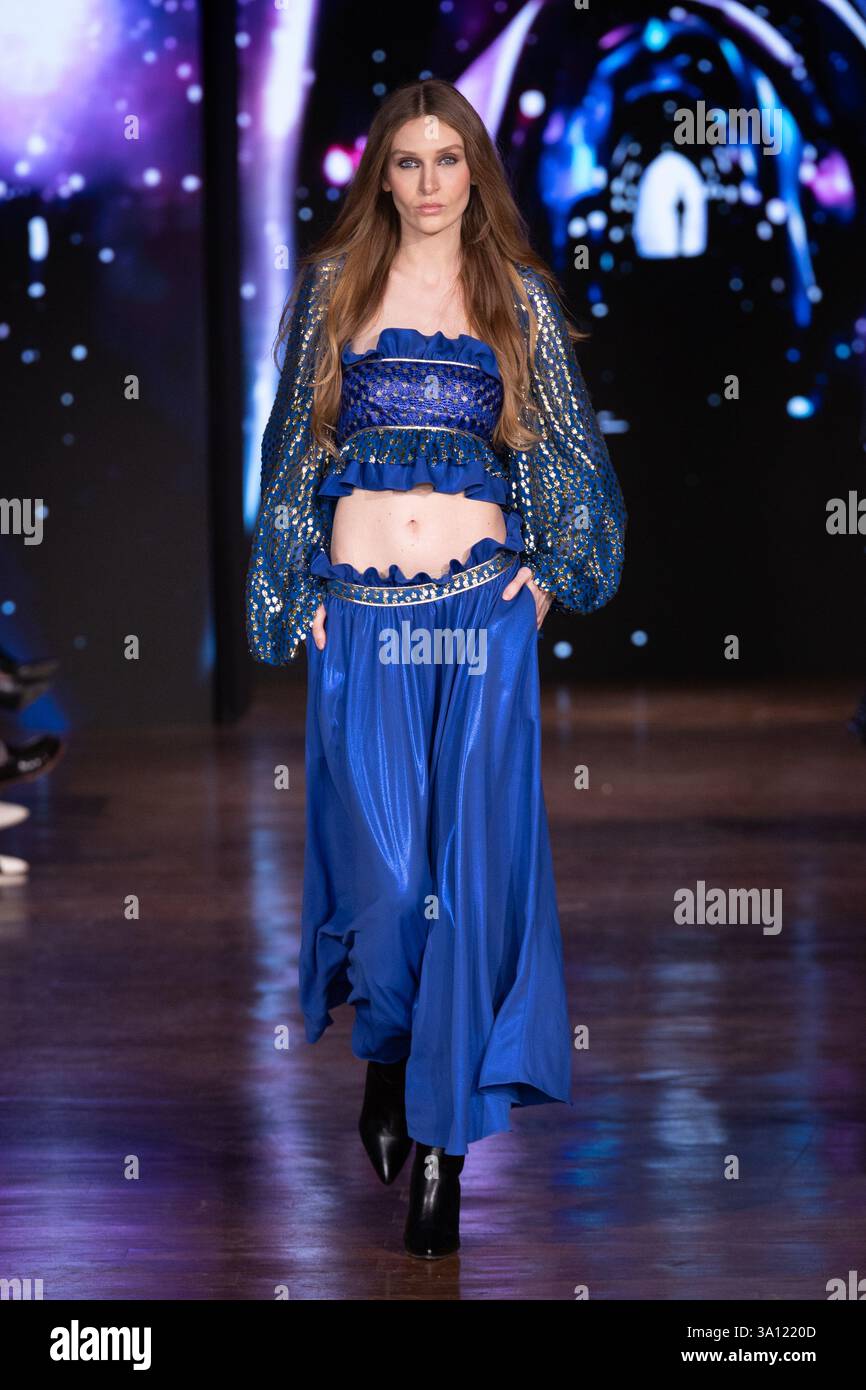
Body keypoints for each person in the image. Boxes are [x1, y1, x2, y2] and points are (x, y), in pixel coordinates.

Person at [245, 78, 627, 1258]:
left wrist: (556, 571)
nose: (424, 183)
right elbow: (290, 446)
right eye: (405, 162)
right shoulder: (332, 291)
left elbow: (566, 452)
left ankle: (443, 1158)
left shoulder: (513, 299)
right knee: (383, 879)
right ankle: (392, 1061)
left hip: (477, 621)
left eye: (445, 160)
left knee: (464, 885)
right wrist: (292, 584)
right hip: (361, 621)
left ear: (475, 172)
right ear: (380, 175)